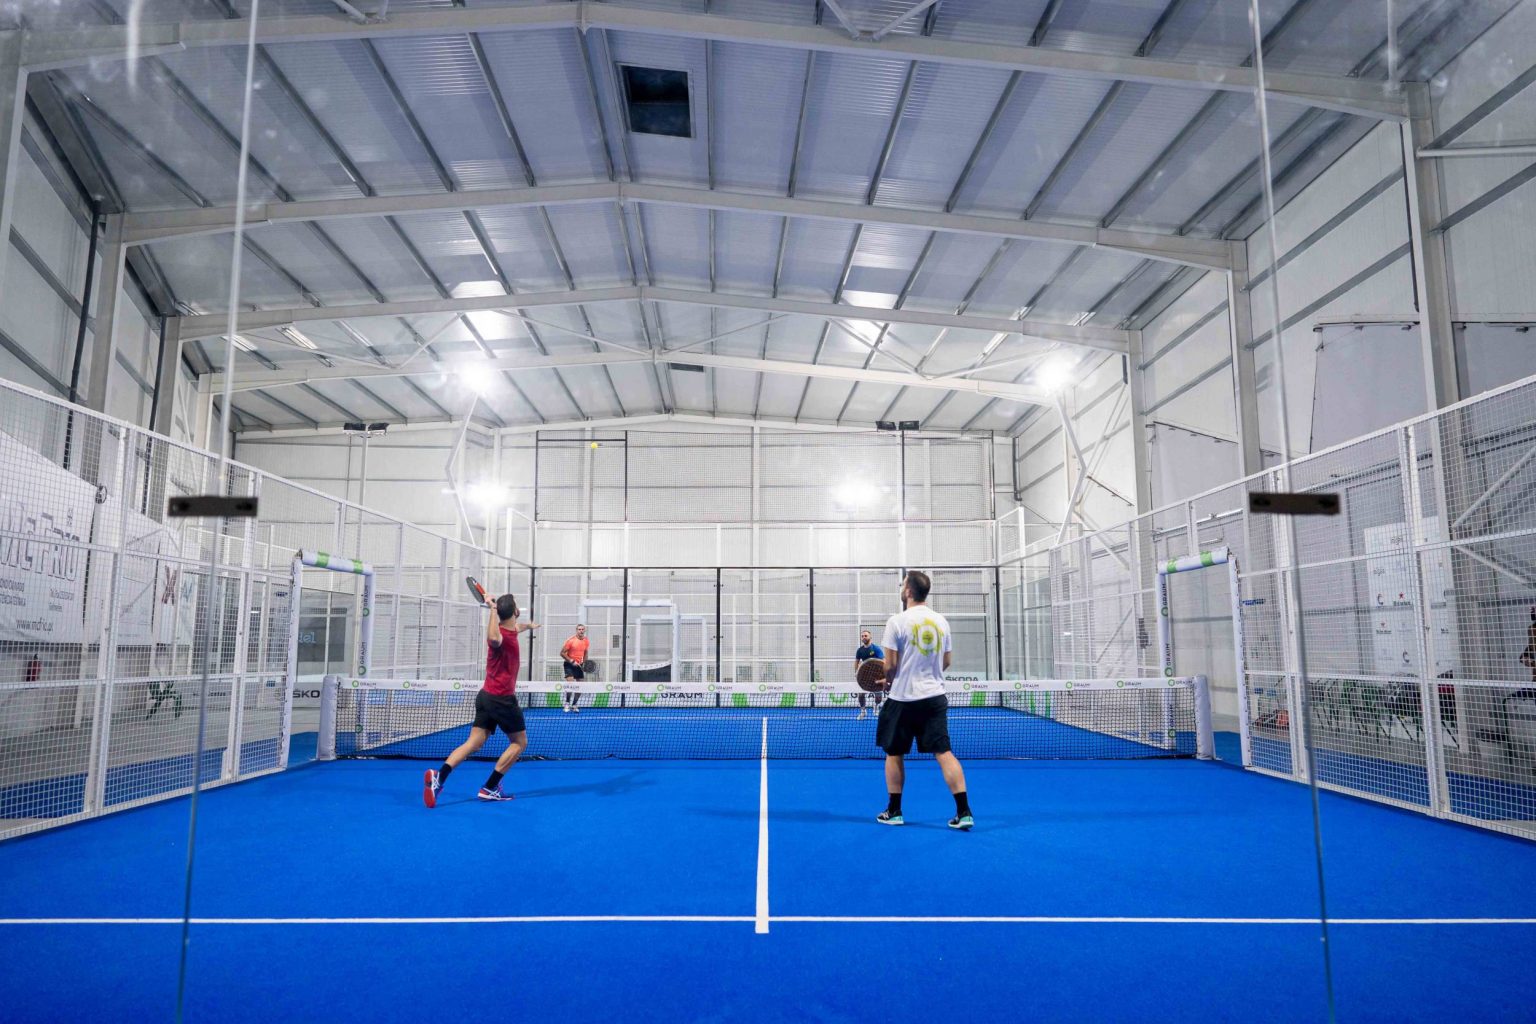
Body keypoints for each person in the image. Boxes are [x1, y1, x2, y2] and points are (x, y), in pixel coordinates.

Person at [875, 571, 972, 831]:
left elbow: (890, 666)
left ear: (908, 591)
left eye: (902, 585)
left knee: (894, 753)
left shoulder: (896, 621)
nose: (901, 588)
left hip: (902, 699)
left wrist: (888, 680)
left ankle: (894, 811)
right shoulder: (941, 622)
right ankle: (964, 812)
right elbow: (946, 661)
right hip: (934, 698)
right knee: (944, 753)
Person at [423, 592, 538, 807]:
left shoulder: (510, 630)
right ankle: (490, 788)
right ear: (515, 611)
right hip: (502, 700)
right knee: (519, 743)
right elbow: (493, 639)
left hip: (485, 697)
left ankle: (439, 777)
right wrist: (492, 610)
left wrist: (529, 626)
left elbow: (516, 628)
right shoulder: (499, 637)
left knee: (473, 743)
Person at [854, 629, 885, 720]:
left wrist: (883, 674)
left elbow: (883, 661)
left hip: (876, 677)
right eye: (862, 636)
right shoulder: (860, 650)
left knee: (878, 697)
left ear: (870, 637)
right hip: (864, 677)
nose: (864, 637)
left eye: (866, 636)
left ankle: (876, 706)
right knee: (860, 694)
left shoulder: (876, 649)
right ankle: (863, 711)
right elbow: (856, 662)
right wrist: (856, 672)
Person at [561, 624, 591, 713]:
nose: (581, 631)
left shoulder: (586, 641)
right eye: (579, 629)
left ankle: (574, 704)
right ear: (576, 630)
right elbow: (562, 653)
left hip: (579, 665)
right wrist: (571, 661)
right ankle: (567, 703)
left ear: (584, 630)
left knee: (580, 687)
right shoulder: (571, 641)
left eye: (582, 629)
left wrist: (584, 663)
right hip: (569, 664)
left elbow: (585, 652)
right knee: (570, 684)